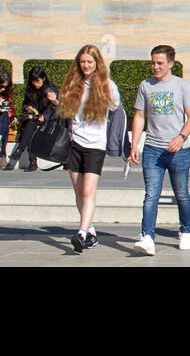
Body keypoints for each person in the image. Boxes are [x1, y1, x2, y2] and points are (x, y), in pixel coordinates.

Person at [128, 44, 190, 255]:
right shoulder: (145, 86)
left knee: (182, 194)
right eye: (153, 62)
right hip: (153, 149)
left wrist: (181, 136)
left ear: (170, 64)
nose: (155, 67)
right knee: (151, 194)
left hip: (179, 150)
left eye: (160, 63)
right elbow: (140, 116)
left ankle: (186, 230)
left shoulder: (182, 86)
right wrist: (134, 144)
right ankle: (147, 236)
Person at [55, 44, 122, 253]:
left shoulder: (107, 86)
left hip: (95, 145)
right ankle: (90, 230)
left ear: (97, 64)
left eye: (90, 62)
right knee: (78, 190)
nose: (85, 65)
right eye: (82, 61)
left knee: (87, 190)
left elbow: (116, 109)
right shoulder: (72, 83)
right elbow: (65, 111)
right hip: (74, 143)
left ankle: (82, 233)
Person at [4, 65, 58, 171]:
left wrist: (44, 116)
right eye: (33, 81)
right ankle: (31, 161)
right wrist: (28, 108)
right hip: (33, 118)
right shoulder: (30, 89)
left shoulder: (50, 88)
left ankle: (20, 152)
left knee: (32, 128)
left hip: (49, 119)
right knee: (30, 124)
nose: (35, 84)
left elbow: (54, 107)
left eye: (37, 81)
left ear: (43, 79)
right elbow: (25, 104)